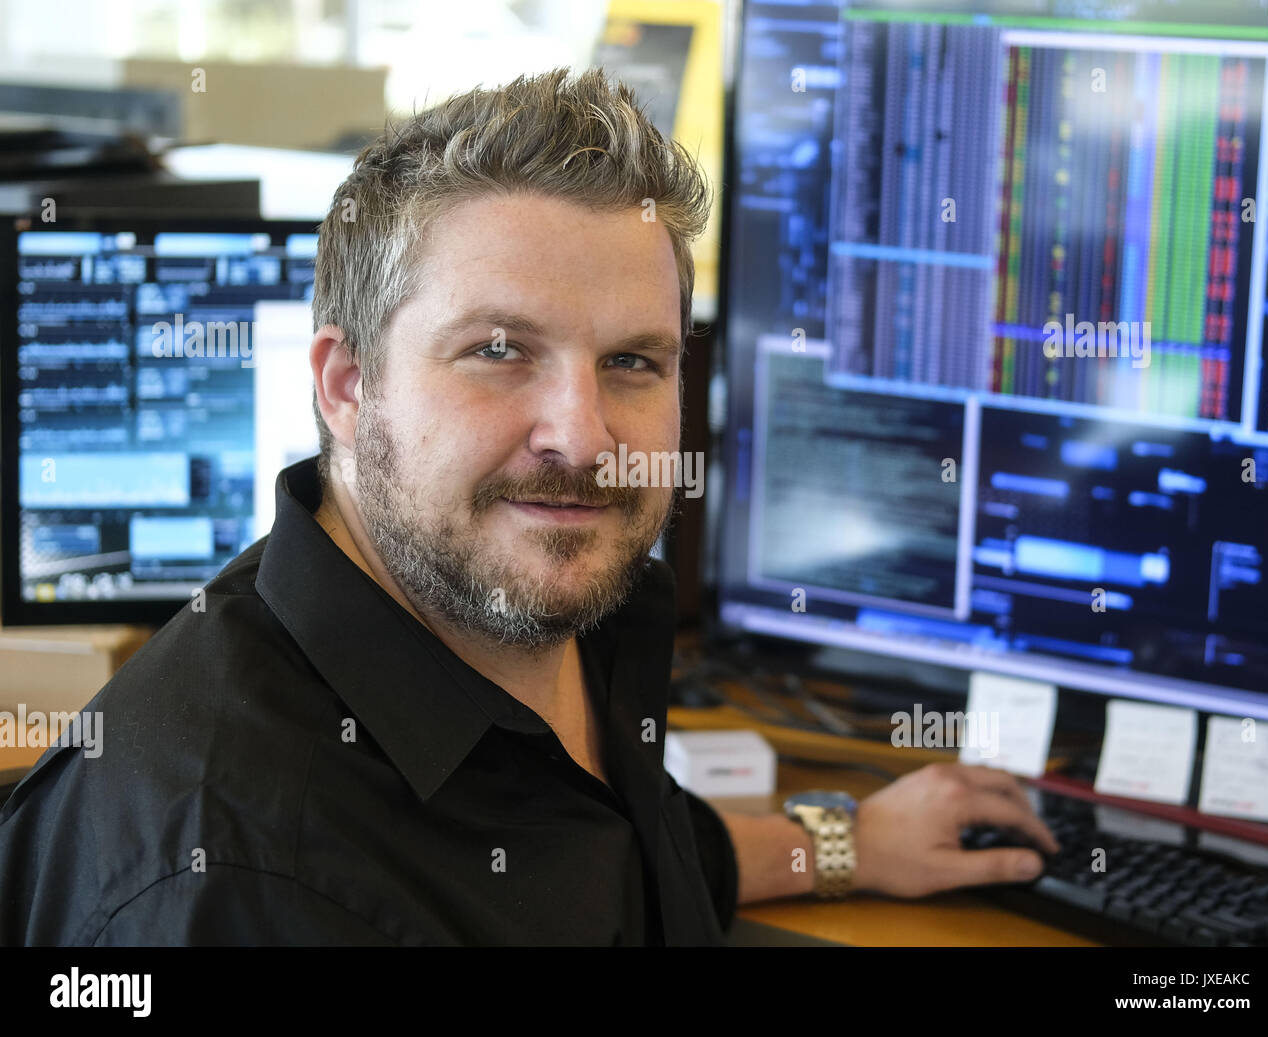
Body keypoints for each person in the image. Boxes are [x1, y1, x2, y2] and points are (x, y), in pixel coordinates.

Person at [0, 67, 1056, 946]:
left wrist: (842, 844)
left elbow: (605, 862)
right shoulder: (234, 877)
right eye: (499, 350)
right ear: (345, 382)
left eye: (633, 360)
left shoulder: (556, 604)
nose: (584, 436)